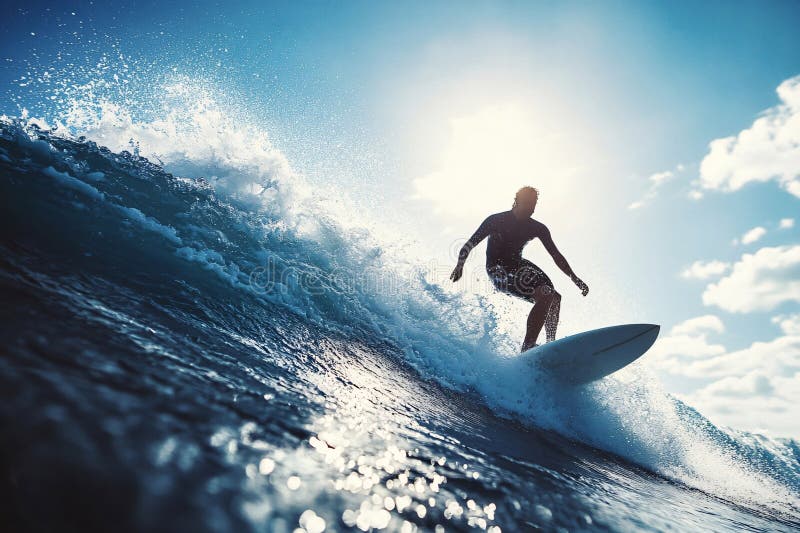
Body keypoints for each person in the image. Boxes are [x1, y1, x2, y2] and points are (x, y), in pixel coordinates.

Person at [450, 186, 589, 352]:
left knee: (554, 298)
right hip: (498, 269)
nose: (532, 208)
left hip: (518, 265)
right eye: (528, 203)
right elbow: (469, 244)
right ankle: (528, 346)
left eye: (534, 204)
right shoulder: (496, 220)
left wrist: (575, 278)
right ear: (517, 201)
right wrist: (460, 265)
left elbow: (556, 256)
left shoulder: (538, 228)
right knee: (546, 295)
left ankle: (551, 344)